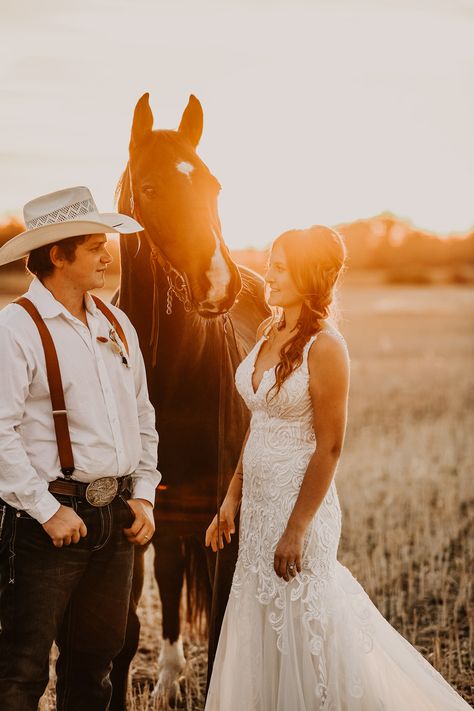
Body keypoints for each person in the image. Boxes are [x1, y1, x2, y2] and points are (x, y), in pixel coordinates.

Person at [204, 225, 470, 710]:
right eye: (271, 262)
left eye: (281, 267)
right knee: (259, 615)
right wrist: (230, 499)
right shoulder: (268, 330)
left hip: (298, 510)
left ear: (308, 276)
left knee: (307, 623)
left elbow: (330, 447)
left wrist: (297, 530)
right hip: (259, 511)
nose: (269, 274)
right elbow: (258, 424)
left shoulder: (325, 347)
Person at [0, 186, 160, 710]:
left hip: (115, 519)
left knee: (95, 667)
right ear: (57, 255)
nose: (107, 256)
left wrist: (144, 494)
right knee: (20, 672)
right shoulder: (15, 328)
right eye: (94, 246)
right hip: (44, 525)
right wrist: (47, 511)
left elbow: (142, 417)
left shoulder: (116, 323)